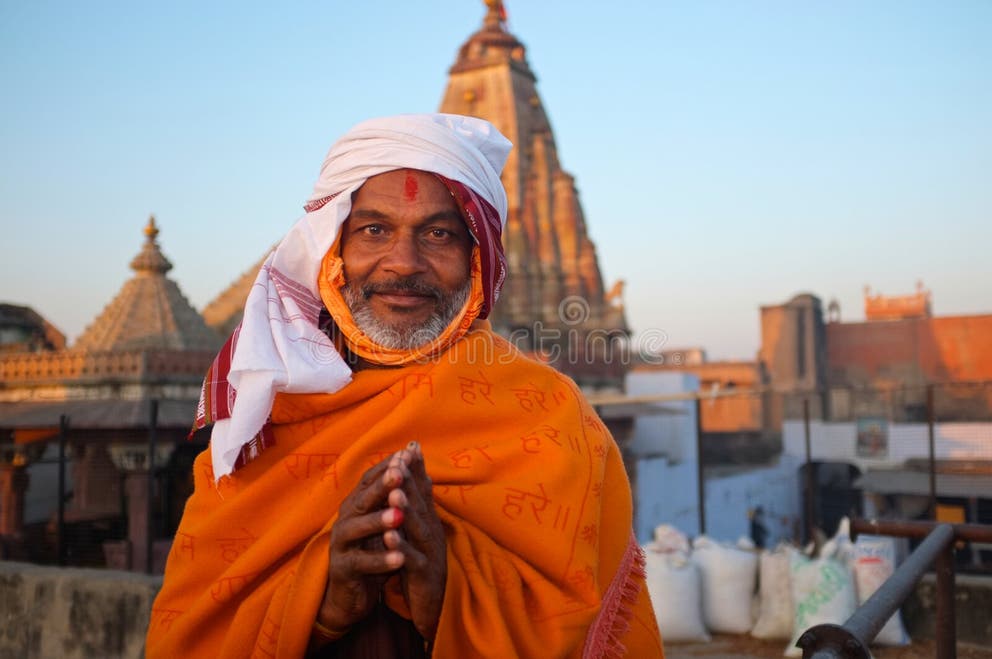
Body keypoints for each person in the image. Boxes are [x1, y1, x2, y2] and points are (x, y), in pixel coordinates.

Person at [146, 114, 664, 658]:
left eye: (439, 234)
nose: (403, 263)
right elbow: (194, 628)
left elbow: (569, 627)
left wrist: (444, 592)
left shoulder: (551, 416)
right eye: (374, 230)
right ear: (332, 249)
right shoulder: (263, 416)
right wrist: (324, 605)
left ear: (478, 258)